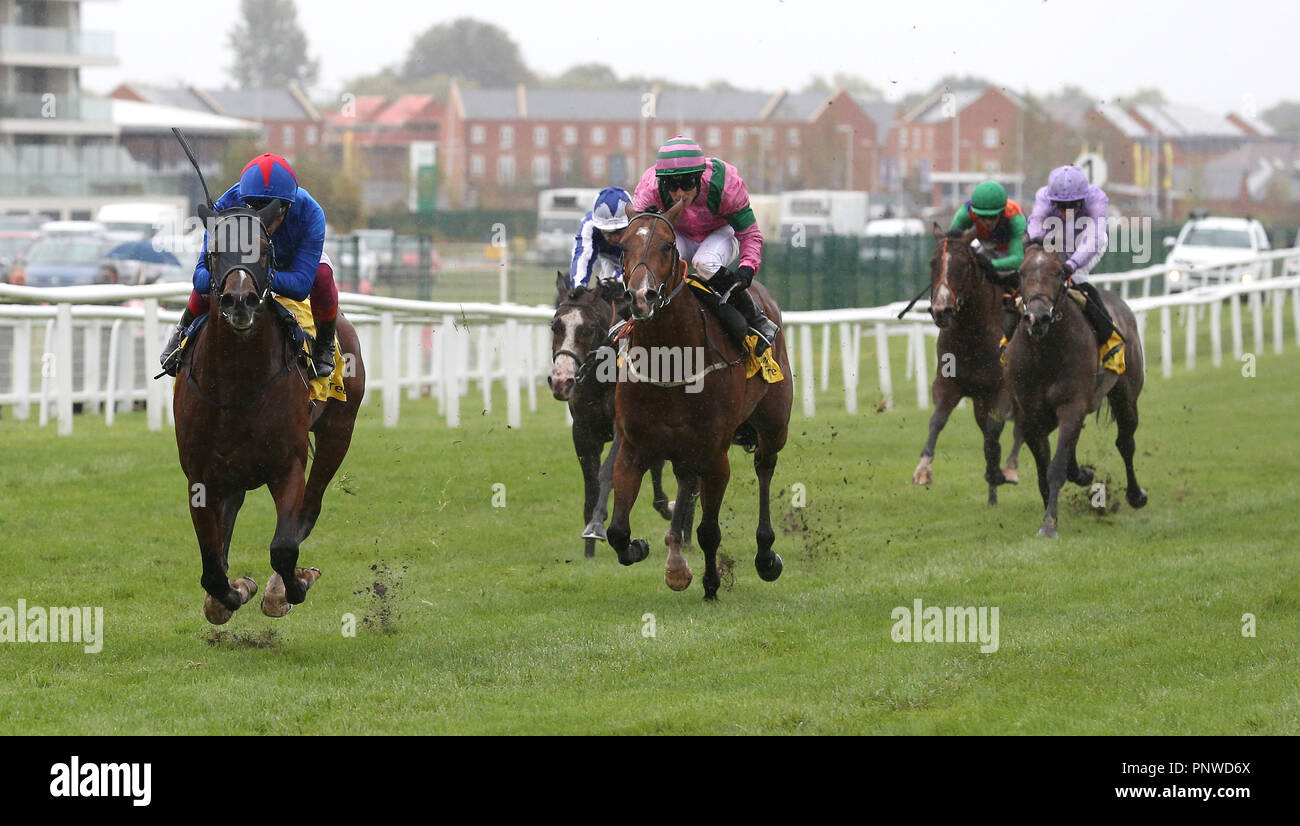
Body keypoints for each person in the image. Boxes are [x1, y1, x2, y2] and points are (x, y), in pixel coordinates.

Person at [159, 153, 338, 378]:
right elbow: (201, 277)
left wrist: (262, 273)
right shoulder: (227, 204)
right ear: (244, 201)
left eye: (273, 209)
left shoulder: (311, 213)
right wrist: (225, 272)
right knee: (218, 273)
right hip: (245, 260)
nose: (264, 219)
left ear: (288, 206)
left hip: (291, 260)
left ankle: (325, 344)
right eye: (254, 207)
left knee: (322, 275)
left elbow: (301, 286)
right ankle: (182, 331)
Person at [631, 135, 778, 356]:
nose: (679, 193)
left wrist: (747, 268)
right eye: (672, 185)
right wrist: (644, 220)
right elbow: (636, 237)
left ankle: (755, 317)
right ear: (662, 182)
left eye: (687, 183)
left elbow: (749, 233)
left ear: (700, 177)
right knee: (659, 255)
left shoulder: (725, 184)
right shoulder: (650, 188)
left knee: (704, 262)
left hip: (718, 233)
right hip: (676, 233)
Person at [1025, 164, 1124, 371]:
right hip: (1056, 238)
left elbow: (1094, 238)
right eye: (1061, 206)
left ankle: (1111, 341)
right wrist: (1036, 245)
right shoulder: (1043, 196)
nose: (1066, 211)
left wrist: (1071, 265)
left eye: (1073, 206)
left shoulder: (1097, 199)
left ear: (1083, 199)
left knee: (1077, 280)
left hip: (1089, 240)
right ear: (1052, 200)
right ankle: (1008, 339)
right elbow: (1035, 223)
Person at [950, 180, 1027, 343]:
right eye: (982, 217)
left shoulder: (1015, 217)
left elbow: (1018, 259)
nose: (988, 222)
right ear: (975, 212)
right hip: (983, 245)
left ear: (1002, 211)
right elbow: (951, 245)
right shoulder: (965, 213)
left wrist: (991, 266)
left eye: (992, 217)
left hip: (1009, 251)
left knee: (1014, 280)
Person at [569, 186, 632, 290]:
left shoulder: (641, 225)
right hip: (610, 262)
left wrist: (617, 281)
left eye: (620, 230)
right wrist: (579, 289)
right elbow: (582, 257)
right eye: (609, 232)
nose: (616, 238)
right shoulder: (589, 225)